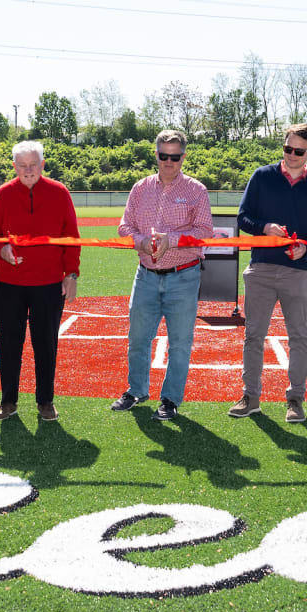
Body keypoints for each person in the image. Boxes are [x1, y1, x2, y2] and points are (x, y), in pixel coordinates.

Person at [228, 123, 307, 424]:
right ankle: (251, 397)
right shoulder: (262, 177)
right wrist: (264, 227)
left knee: (298, 336)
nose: (292, 155)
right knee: (253, 335)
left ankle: (296, 399)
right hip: (260, 267)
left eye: (299, 150)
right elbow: (243, 217)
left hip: (297, 271)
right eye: (288, 148)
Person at [112, 129, 214, 421]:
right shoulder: (140, 188)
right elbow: (124, 227)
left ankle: (170, 399)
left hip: (183, 276)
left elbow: (205, 232)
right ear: (155, 154)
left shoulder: (197, 190)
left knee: (180, 342)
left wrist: (173, 239)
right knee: (138, 338)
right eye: (163, 155)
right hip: (145, 275)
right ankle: (136, 390)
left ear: (183, 156)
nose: (169, 161)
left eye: (175, 156)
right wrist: (140, 241)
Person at [0, 141, 81, 422]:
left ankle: (45, 401)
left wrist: (71, 274)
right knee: (9, 344)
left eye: (33, 165)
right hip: (9, 284)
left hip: (49, 284)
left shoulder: (59, 193)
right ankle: (8, 401)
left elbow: (72, 237)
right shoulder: (2, 194)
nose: (28, 170)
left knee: (46, 344)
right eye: (23, 165)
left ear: (43, 165)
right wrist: (1, 249)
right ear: (14, 166)